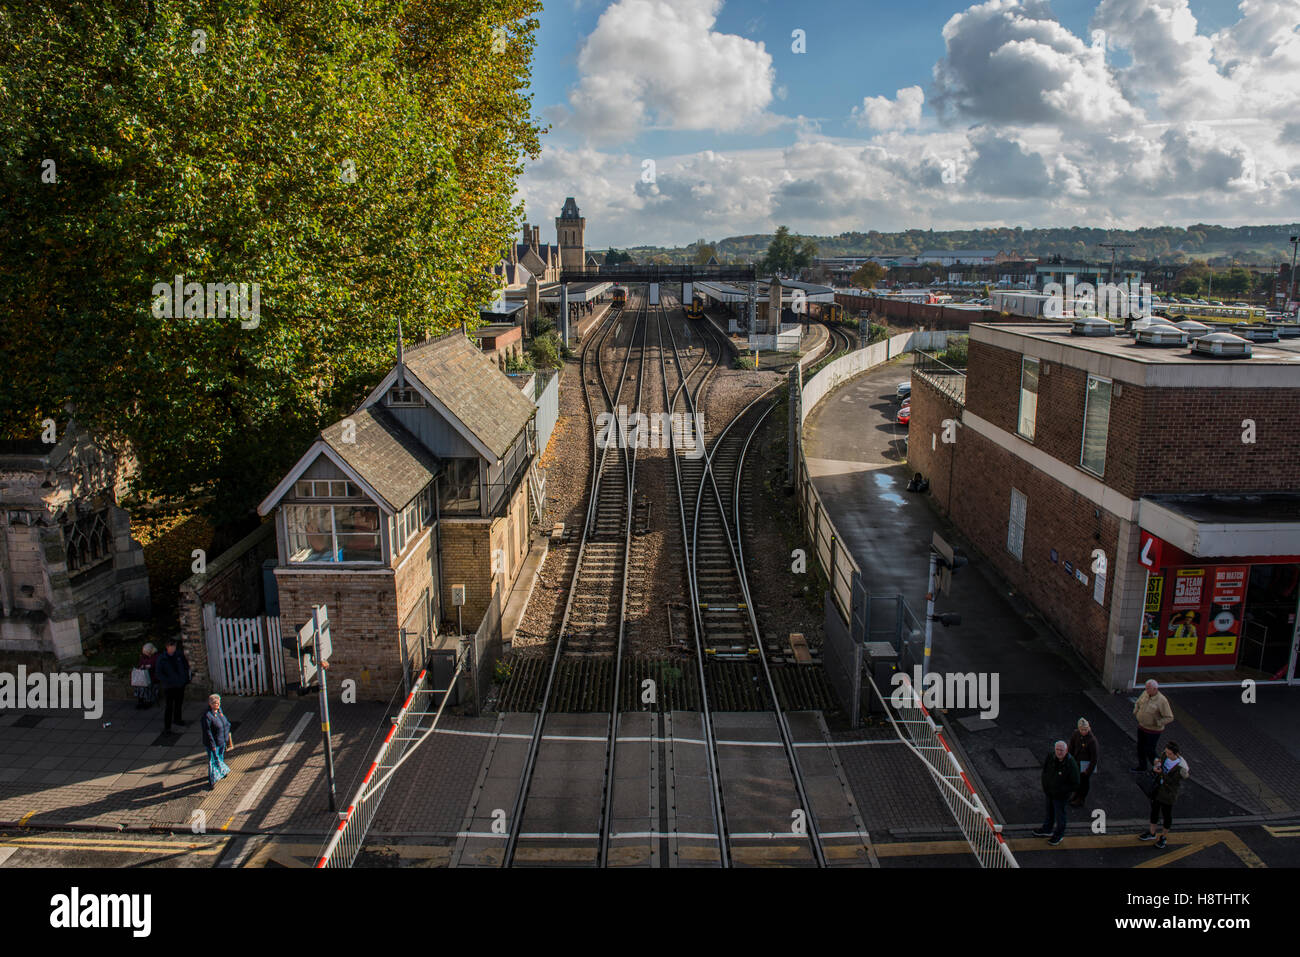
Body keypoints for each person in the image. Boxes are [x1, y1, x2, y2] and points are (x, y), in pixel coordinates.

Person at [1139, 742, 1190, 849]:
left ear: (1176, 754)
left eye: (1169, 753)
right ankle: (1152, 833)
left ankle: (1163, 836)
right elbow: (1159, 762)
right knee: (1154, 811)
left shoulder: (1181, 768)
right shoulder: (1165, 755)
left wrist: (1160, 773)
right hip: (1158, 789)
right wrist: (1157, 764)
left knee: (1167, 815)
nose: (1167, 754)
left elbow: (1173, 781)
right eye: (1166, 752)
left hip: (1168, 794)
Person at [1033, 740, 1080, 846]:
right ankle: (1047, 829)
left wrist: (1061, 790)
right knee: (1049, 812)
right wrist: (1046, 785)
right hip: (1050, 792)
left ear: (1066, 750)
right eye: (1057, 750)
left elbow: (1075, 783)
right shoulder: (1051, 756)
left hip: (1060, 796)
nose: (1059, 752)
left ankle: (1059, 835)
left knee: (1060, 816)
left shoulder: (1071, 764)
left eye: (1061, 750)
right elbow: (1045, 770)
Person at [1131, 679, 1173, 771]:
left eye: (1148, 689)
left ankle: (1158, 769)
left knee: (1150, 750)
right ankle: (1142, 767)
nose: (1146, 690)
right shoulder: (1145, 693)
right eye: (1146, 688)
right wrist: (1136, 711)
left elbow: (1169, 717)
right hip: (1142, 726)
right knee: (1140, 747)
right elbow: (1138, 703)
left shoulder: (1162, 701)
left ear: (1155, 689)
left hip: (1153, 731)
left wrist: (1158, 723)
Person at [156, 638, 191, 733]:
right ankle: (167, 727)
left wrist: (185, 678)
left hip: (180, 684)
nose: (173, 649)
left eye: (174, 646)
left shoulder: (179, 655)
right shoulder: (162, 659)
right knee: (169, 706)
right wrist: (168, 681)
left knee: (179, 703)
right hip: (169, 686)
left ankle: (177, 719)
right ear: (167, 647)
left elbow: (185, 666)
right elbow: (159, 673)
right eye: (171, 647)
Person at [201, 694, 234, 788]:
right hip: (214, 743)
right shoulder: (207, 716)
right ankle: (212, 780)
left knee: (220, 758)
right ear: (210, 704)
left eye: (218, 703)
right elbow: (208, 732)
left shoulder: (219, 711)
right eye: (215, 703)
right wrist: (212, 745)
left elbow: (226, 723)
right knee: (213, 761)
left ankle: (221, 771)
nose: (217, 705)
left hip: (221, 741)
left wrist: (227, 738)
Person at [1068, 718, 1099, 807]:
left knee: (1084, 783)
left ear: (1089, 728)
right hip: (1076, 762)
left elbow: (1094, 758)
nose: (1084, 731)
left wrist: (1088, 770)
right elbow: (1071, 747)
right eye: (1082, 730)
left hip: (1085, 766)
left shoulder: (1092, 741)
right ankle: (1076, 795)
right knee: (1077, 781)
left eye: (1086, 729)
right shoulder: (1076, 734)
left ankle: (1080, 799)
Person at [133, 642, 159, 709]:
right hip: (144, 676)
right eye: (145, 652)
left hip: (153, 676)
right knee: (139, 685)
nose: (146, 654)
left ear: (151, 651)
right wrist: (142, 667)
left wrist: (150, 666)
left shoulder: (156, 656)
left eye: (147, 652)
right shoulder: (143, 657)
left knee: (147, 686)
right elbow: (140, 664)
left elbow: (156, 666)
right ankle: (140, 701)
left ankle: (148, 701)